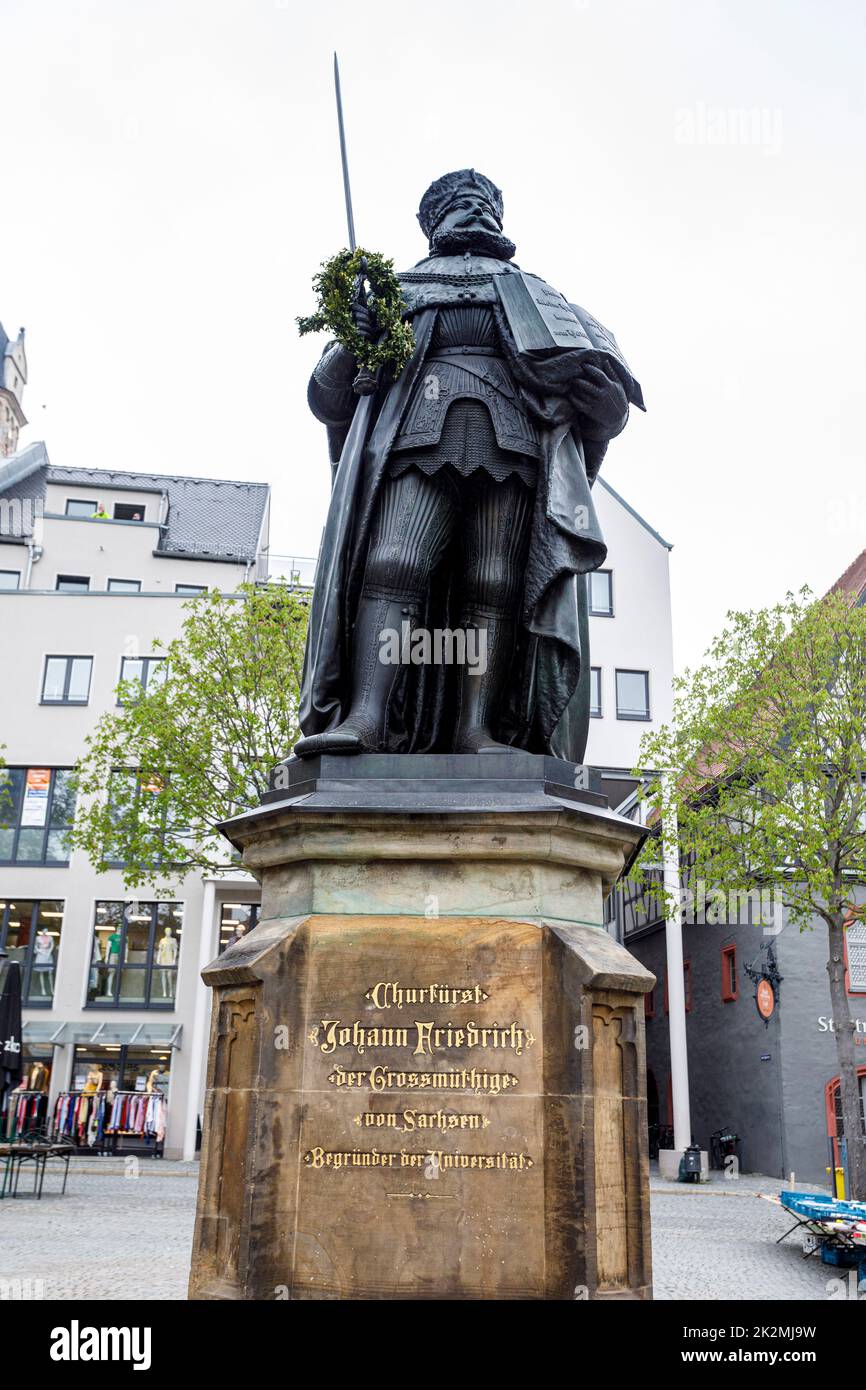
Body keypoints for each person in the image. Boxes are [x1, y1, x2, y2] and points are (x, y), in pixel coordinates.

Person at [296, 169, 642, 762]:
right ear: (434, 225)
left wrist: (608, 414)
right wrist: (356, 341)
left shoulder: (545, 298)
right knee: (393, 562)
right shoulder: (390, 292)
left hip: (511, 448)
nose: (476, 213)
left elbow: (597, 401)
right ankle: (367, 718)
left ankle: (475, 731)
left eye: (485, 206)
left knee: (496, 581)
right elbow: (328, 395)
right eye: (460, 206)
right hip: (415, 440)